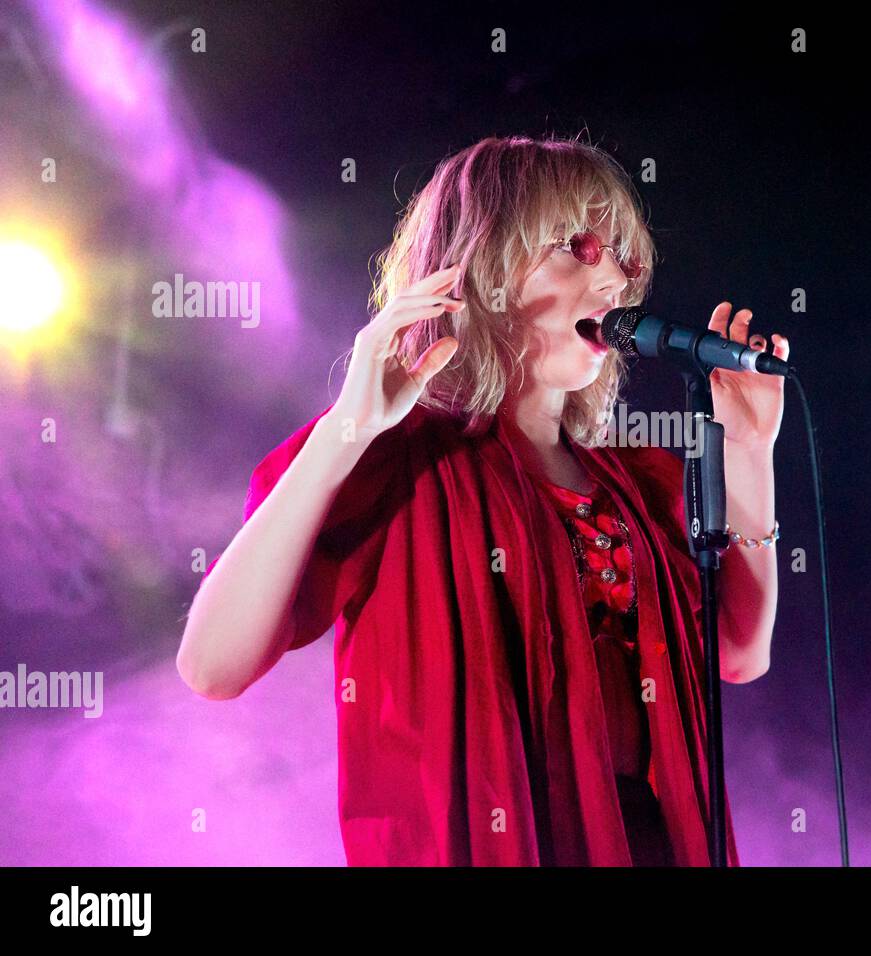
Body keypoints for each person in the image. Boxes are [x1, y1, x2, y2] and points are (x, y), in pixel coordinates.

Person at [177, 134, 788, 866]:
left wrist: (751, 453)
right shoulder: (396, 462)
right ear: (479, 271)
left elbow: (739, 655)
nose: (617, 279)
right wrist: (347, 430)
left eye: (622, 255)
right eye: (577, 246)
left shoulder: (634, 485)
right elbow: (213, 665)